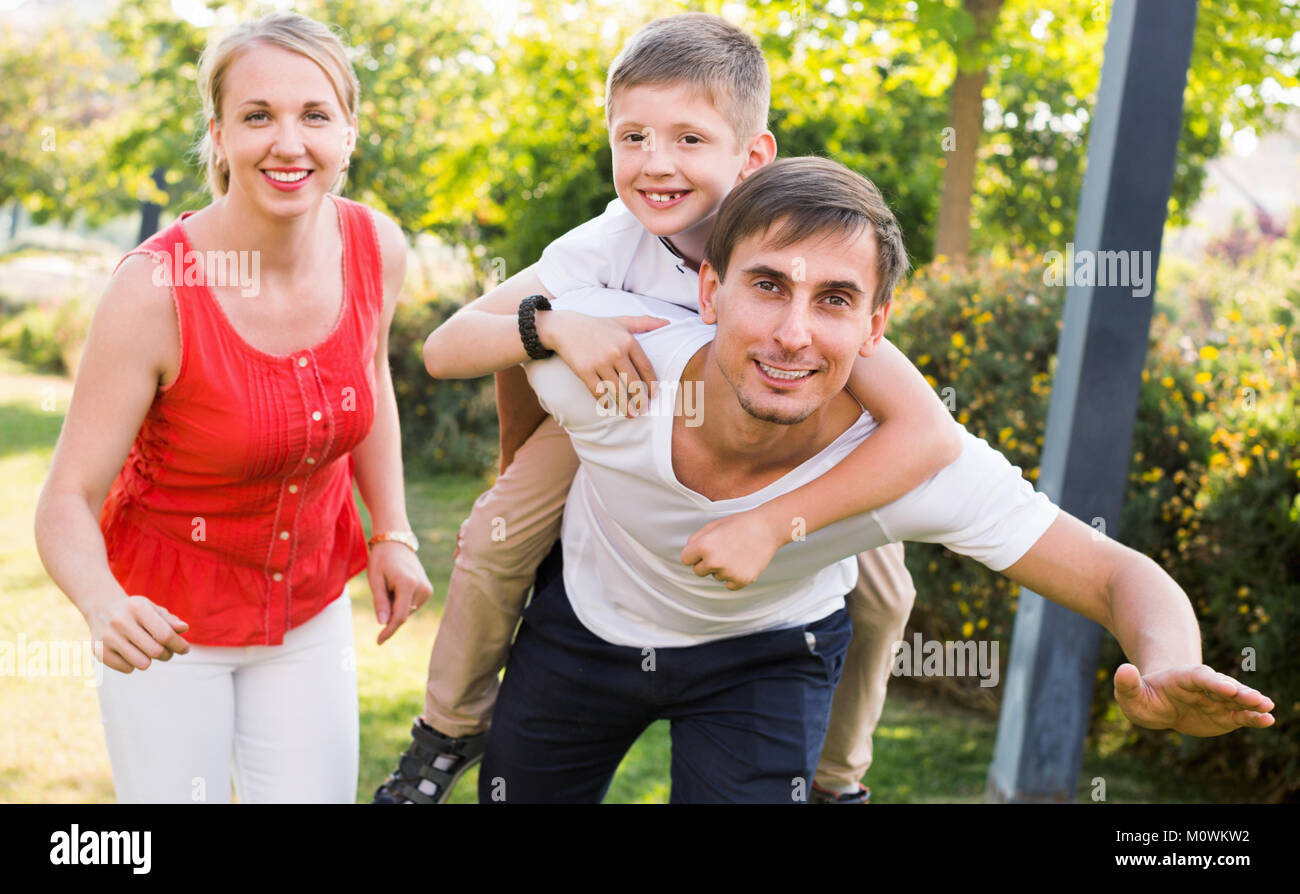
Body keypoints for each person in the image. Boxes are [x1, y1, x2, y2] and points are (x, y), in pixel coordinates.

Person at [427, 156, 1275, 803]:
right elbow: (514, 354)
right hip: (586, 629)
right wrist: (514, 475)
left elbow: (1117, 572)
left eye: (833, 299)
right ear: (711, 290)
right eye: (767, 286)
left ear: (876, 325)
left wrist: (1166, 665)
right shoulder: (609, 363)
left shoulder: (917, 463)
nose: (794, 333)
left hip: (767, 657)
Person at [374, 11, 957, 807]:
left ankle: (837, 778)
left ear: (752, 156)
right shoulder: (606, 245)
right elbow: (449, 347)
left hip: (788, 439)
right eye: (633, 137)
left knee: (885, 592)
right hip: (624, 418)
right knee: (495, 534)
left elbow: (914, 418)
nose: (656, 164)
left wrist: (782, 518)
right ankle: (448, 728)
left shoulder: (791, 243)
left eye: (688, 139)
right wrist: (550, 324)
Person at [33, 12, 432, 804]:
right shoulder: (153, 292)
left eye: (315, 115)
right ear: (218, 135)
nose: (289, 143)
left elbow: (371, 382)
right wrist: (104, 605)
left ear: (348, 132)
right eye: (258, 117)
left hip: (310, 609)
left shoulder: (376, 246)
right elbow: (65, 500)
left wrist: (392, 531)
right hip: (168, 628)